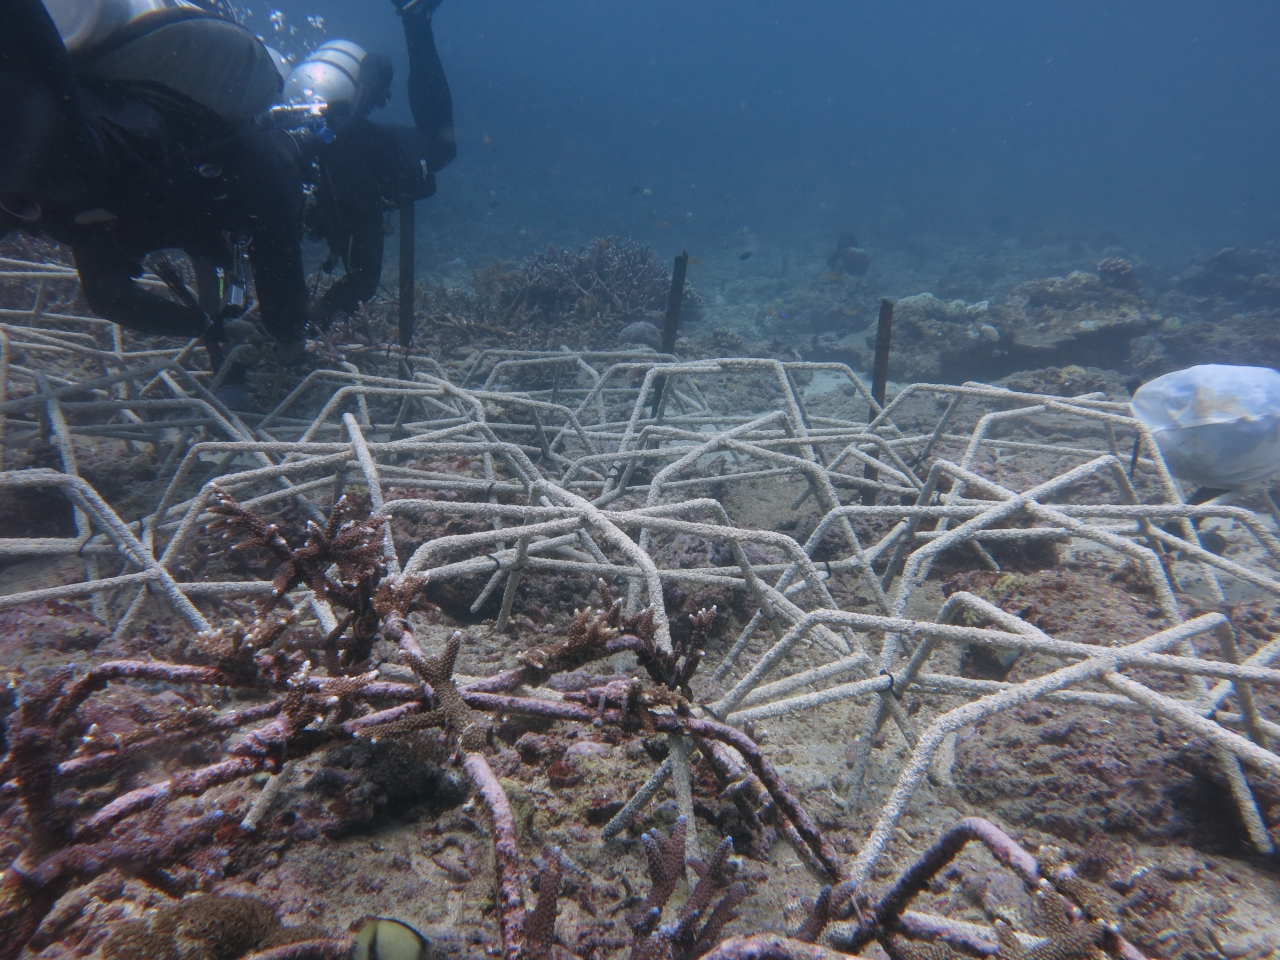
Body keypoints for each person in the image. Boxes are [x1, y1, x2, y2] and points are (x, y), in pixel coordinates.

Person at [0, 0, 309, 363]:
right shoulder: (256, 160)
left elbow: (108, 297)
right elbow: (279, 251)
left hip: (82, 190)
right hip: (99, 173)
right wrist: (288, 340)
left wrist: (212, 328)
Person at [291, 0, 456, 325]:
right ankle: (416, 21)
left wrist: (311, 316)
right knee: (438, 140)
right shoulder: (339, 167)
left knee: (442, 145)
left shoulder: (298, 166)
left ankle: (416, 21)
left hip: (368, 153)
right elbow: (363, 278)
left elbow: (365, 279)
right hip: (360, 144)